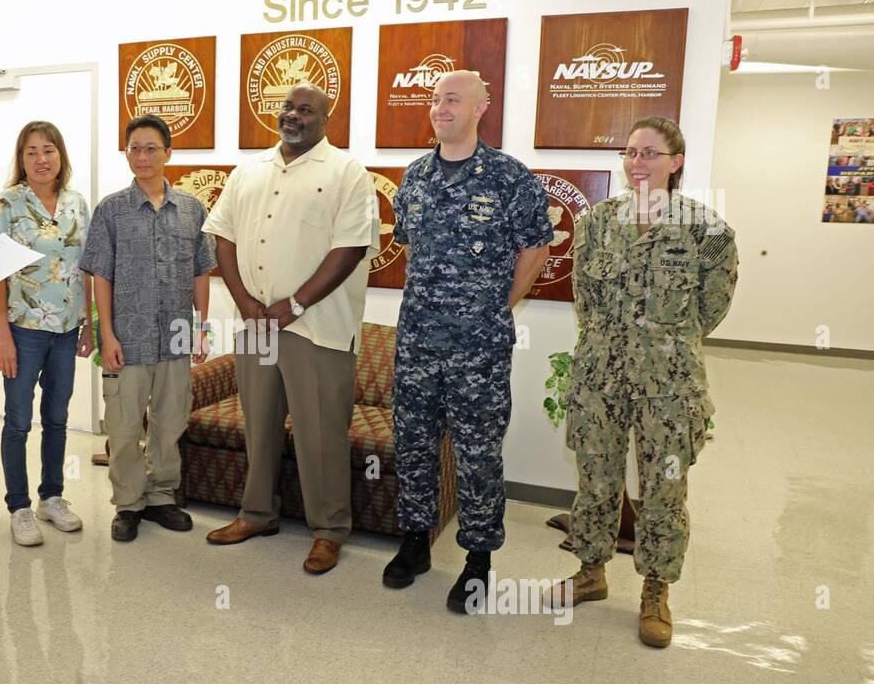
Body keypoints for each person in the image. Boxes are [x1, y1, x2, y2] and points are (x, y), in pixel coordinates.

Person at [550, 116, 738, 648]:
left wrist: (662, 343)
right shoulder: (596, 223)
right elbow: (584, 299)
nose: (637, 163)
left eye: (650, 154)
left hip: (669, 385)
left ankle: (656, 589)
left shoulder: (708, 230)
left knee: (663, 490)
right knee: (596, 478)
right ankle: (591, 570)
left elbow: (711, 309)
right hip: (600, 377)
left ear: (676, 162)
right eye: (630, 152)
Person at [383, 70, 552, 610]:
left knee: (478, 454)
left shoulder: (510, 178)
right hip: (416, 344)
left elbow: (536, 249)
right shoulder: (415, 176)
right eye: (435, 100)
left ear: (482, 107)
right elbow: (410, 245)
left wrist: (499, 306)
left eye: (452, 99)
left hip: (478, 349)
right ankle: (416, 541)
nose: (440, 108)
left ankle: (478, 559)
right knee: (413, 447)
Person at [202, 82, 378, 574]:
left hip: (317, 328)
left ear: (326, 118)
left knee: (321, 433)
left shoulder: (348, 172)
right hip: (256, 323)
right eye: (287, 107)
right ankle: (257, 514)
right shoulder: (248, 170)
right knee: (257, 425)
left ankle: (328, 531)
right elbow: (223, 237)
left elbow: (351, 247)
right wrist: (243, 302)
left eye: (306, 109)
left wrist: (296, 304)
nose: (293, 115)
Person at [80, 114, 214, 542]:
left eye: (151, 148)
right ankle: (128, 503)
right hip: (127, 337)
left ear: (168, 153)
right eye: (134, 148)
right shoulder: (112, 209)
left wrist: (202, 328)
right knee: (121, 427)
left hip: (176, 335)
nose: (141, 156)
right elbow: (101, 274)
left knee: (170, 422)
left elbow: (200, 272)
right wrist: (107, 334)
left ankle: (160, 496)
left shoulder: (192, 209)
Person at [0, 121, 94, 546]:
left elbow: (86, 266)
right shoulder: (7, 203)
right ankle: (19, 506)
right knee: (16, 420)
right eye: (31, 151)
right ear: (21, 158)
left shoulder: (76, 204)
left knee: (57, 417)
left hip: (67, 329)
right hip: (23, 329)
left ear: (60, 156)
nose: (41, 159)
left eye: (48, 150)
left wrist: (89, 325)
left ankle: (52, 497)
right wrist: (3, 336)